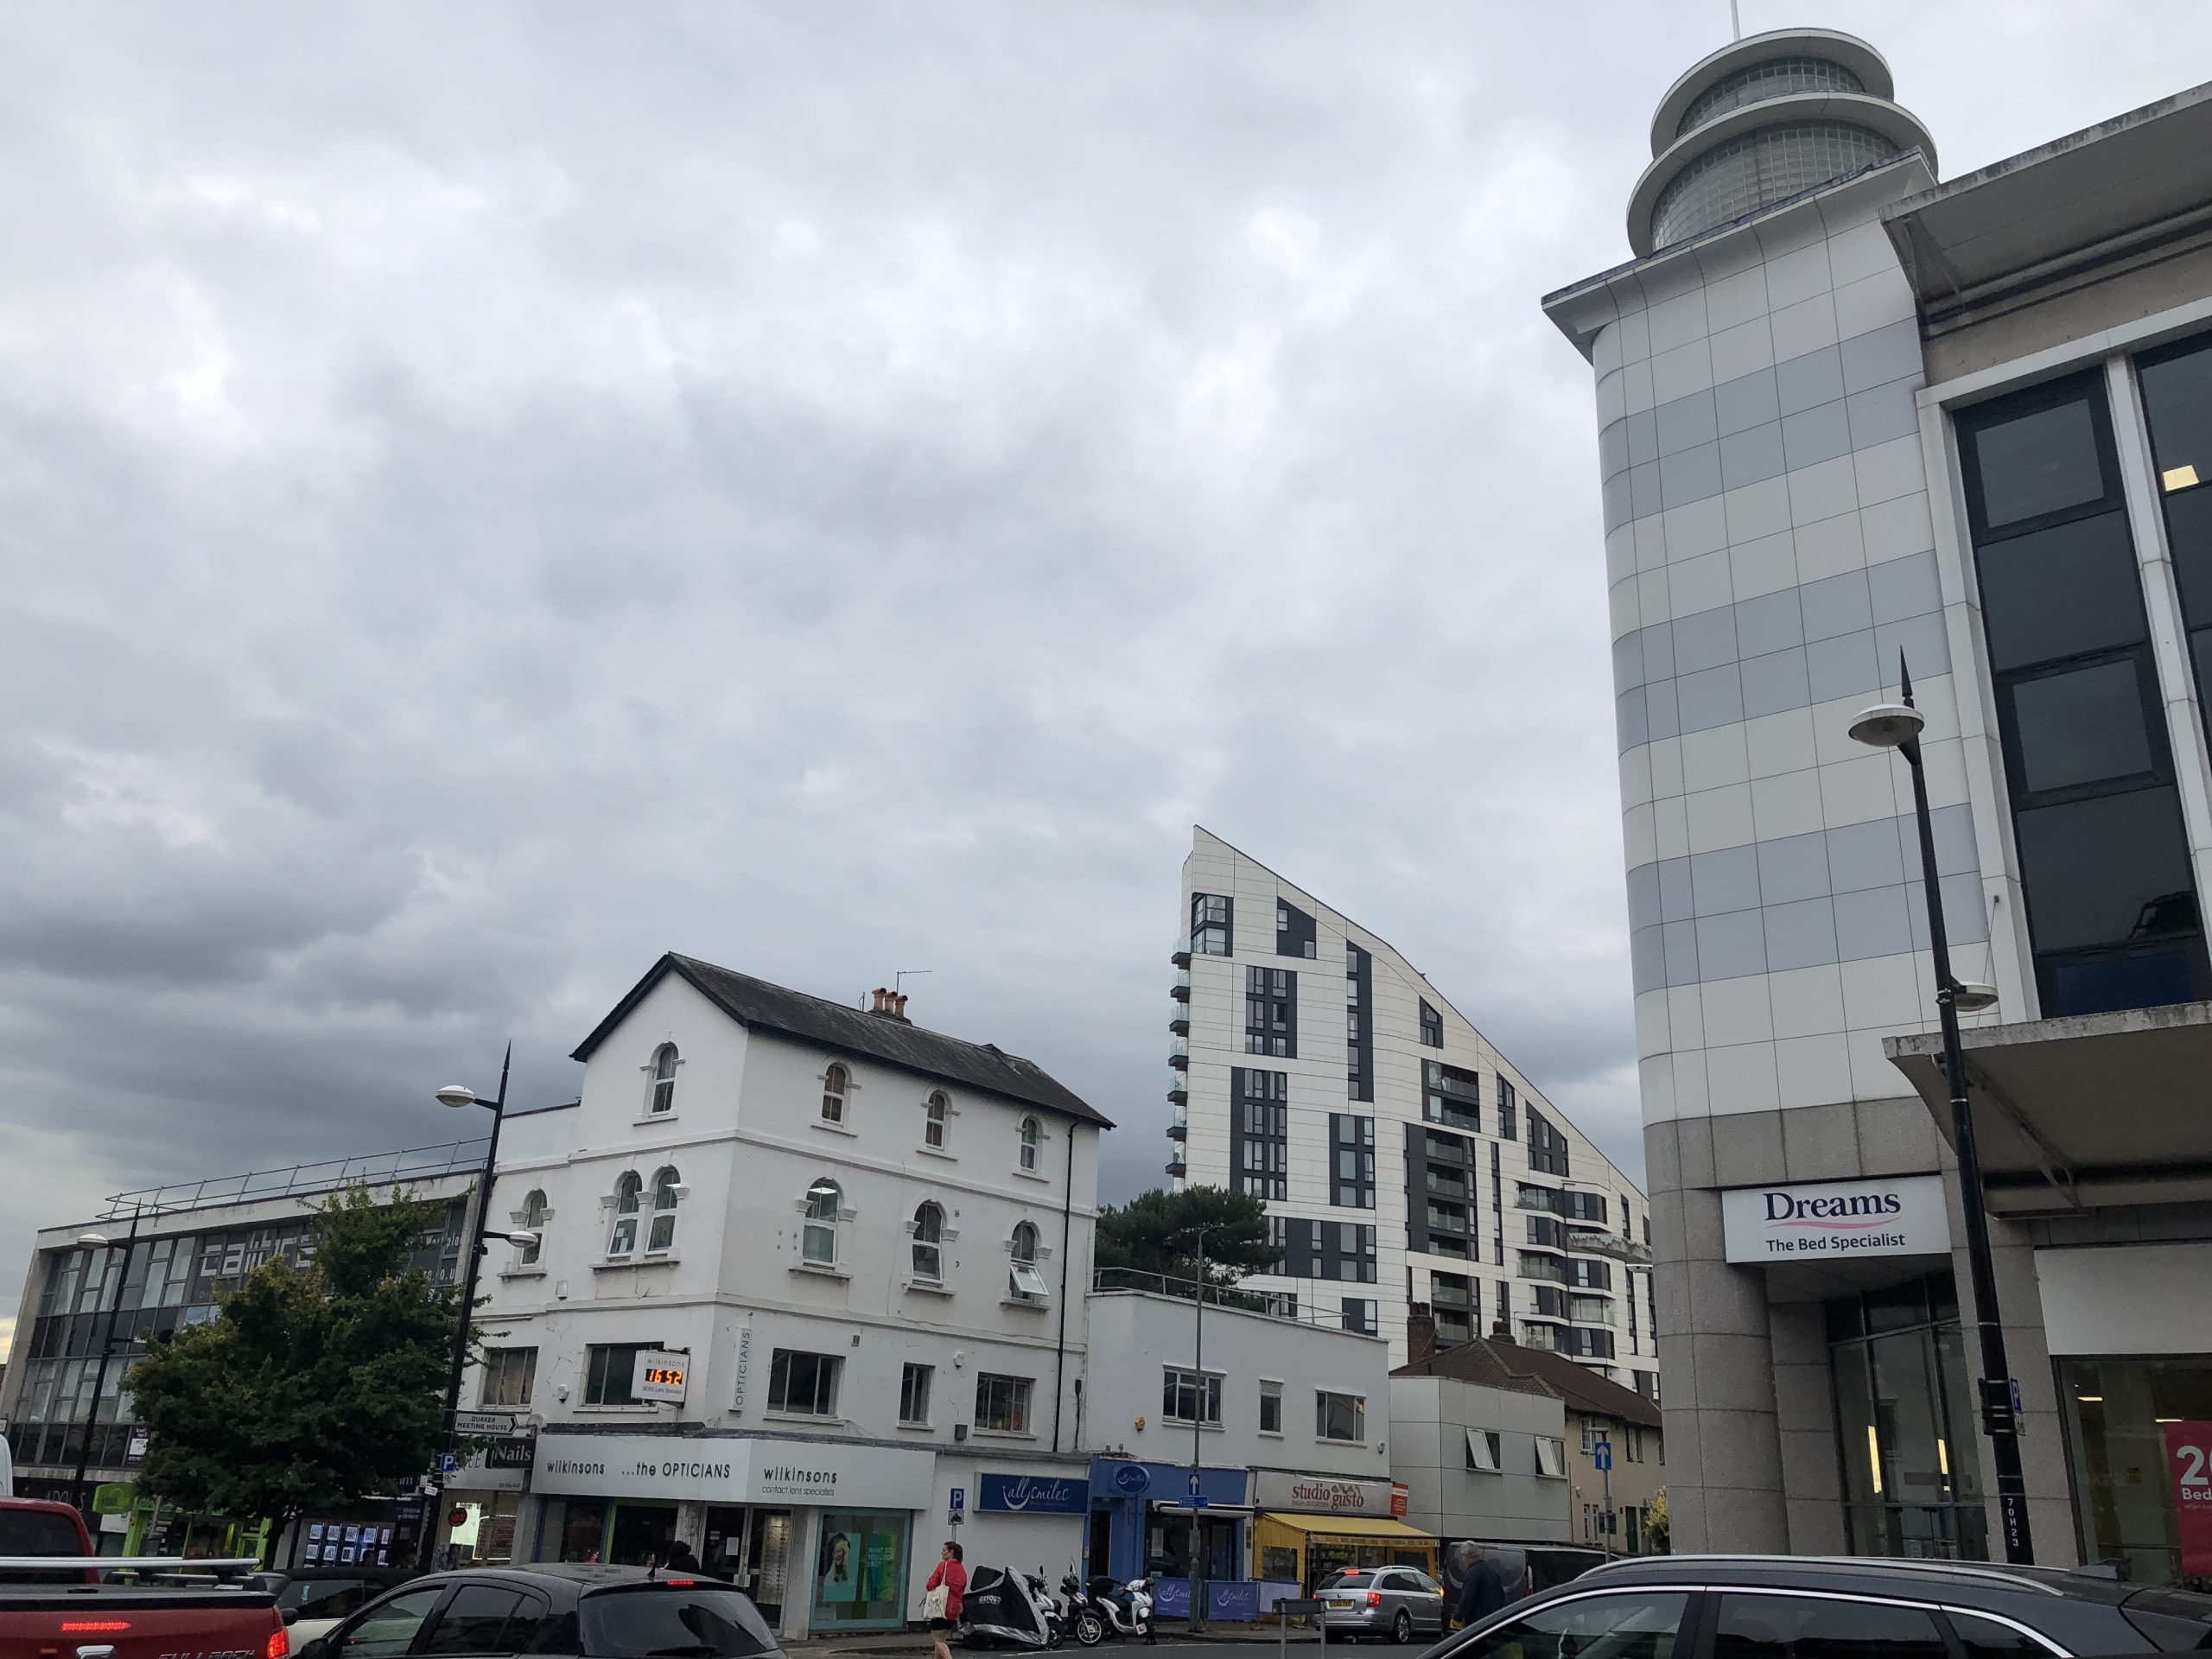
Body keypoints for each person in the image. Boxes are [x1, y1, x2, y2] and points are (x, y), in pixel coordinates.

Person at [924, 1540, 967, 1659]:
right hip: (954, 1609)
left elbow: (930, 1584)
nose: (941, 1553)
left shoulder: (943, 1565)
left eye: (944, 1550)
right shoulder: (962, 1569)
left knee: (937, 1640)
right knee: (941, 1639)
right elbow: (962, 1589)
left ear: (951, 1552)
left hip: (940, 1606)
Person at [1454, 1546, 1507, 1630]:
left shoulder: (1472, 1574)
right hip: (1493, 1618)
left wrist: (1457, 1616)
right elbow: (1501, 1596)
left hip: (1476, 1620)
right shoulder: (1492, 1572)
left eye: (1463, 1556)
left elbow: (1467, 1598)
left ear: (1468, 1555)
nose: (1463, 1560)